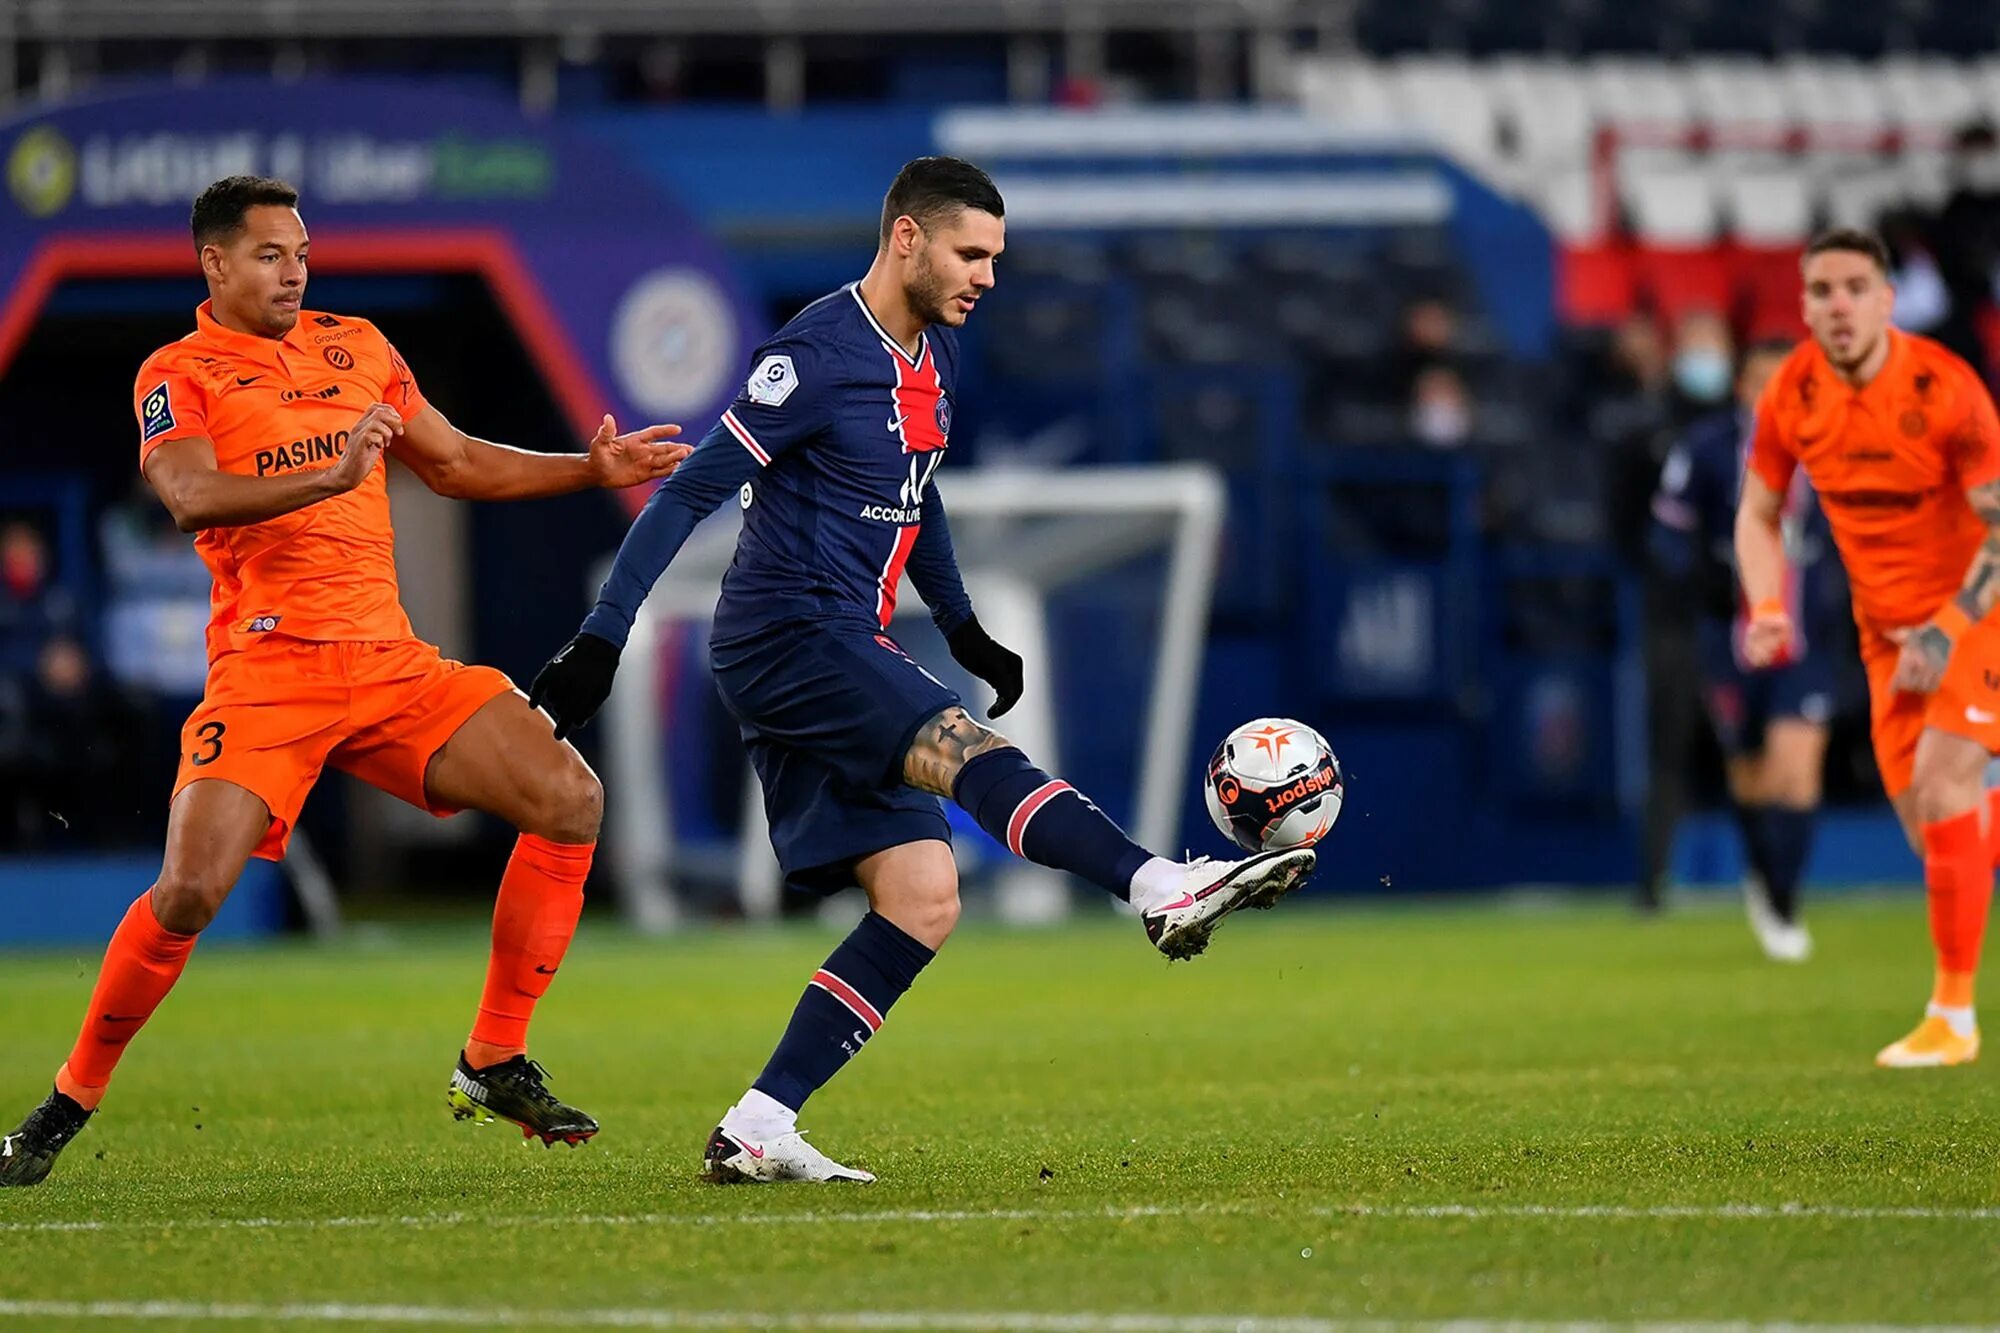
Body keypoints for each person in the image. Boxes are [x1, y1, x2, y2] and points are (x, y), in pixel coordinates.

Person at [529, 156, 1318, 1183]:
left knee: (922, 893)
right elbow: (688, 496)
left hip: (841, 634)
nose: (987, 274)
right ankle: (1155, 885)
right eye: (970, 251)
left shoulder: (928, 361)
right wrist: (603, 634)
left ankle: (759, 1123)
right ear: (906, 237)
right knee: (967, 750)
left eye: (995, 255)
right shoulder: (814, 353)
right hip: (790, 632)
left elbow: (920, 492)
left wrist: (963, 622)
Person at [0, 175, 691, 1187]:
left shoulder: (358, 344)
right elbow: (189, 493)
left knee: (567, 797)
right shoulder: (177, 370)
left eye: (302, 252)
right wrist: (324, 478)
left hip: (389, 664)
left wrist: (587, 471)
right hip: (268, 674)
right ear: (215, 262)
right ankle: (67, 1101)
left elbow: (452, 462)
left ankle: (492, 1056)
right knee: (189, 892)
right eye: (270, 254)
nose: (293, 271)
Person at [1736, 227, 2000, 1068]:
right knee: (1934, 831)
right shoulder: (1793, 393)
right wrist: (1768, 604)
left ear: (1888, 299)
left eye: (1855, 286)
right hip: (1884, 637)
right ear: (1806, 304)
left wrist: (1949, 627)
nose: (1838, 304)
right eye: (1821, 290)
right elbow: (1757, 514)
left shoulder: (1947, 389)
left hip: (1972, 616)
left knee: (1945, 779)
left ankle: (1952, 1019)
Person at [1653, 338, 1835, 960]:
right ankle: (1762, 873)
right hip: (1730, 638)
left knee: (1798, 768)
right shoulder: (1707, 448)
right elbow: (1669, 532)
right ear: (1741, 387)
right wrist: (1700, 577)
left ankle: (1785, 902)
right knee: (1751, 776)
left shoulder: (1832, 449)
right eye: (1761, 380)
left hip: (1805, 637)